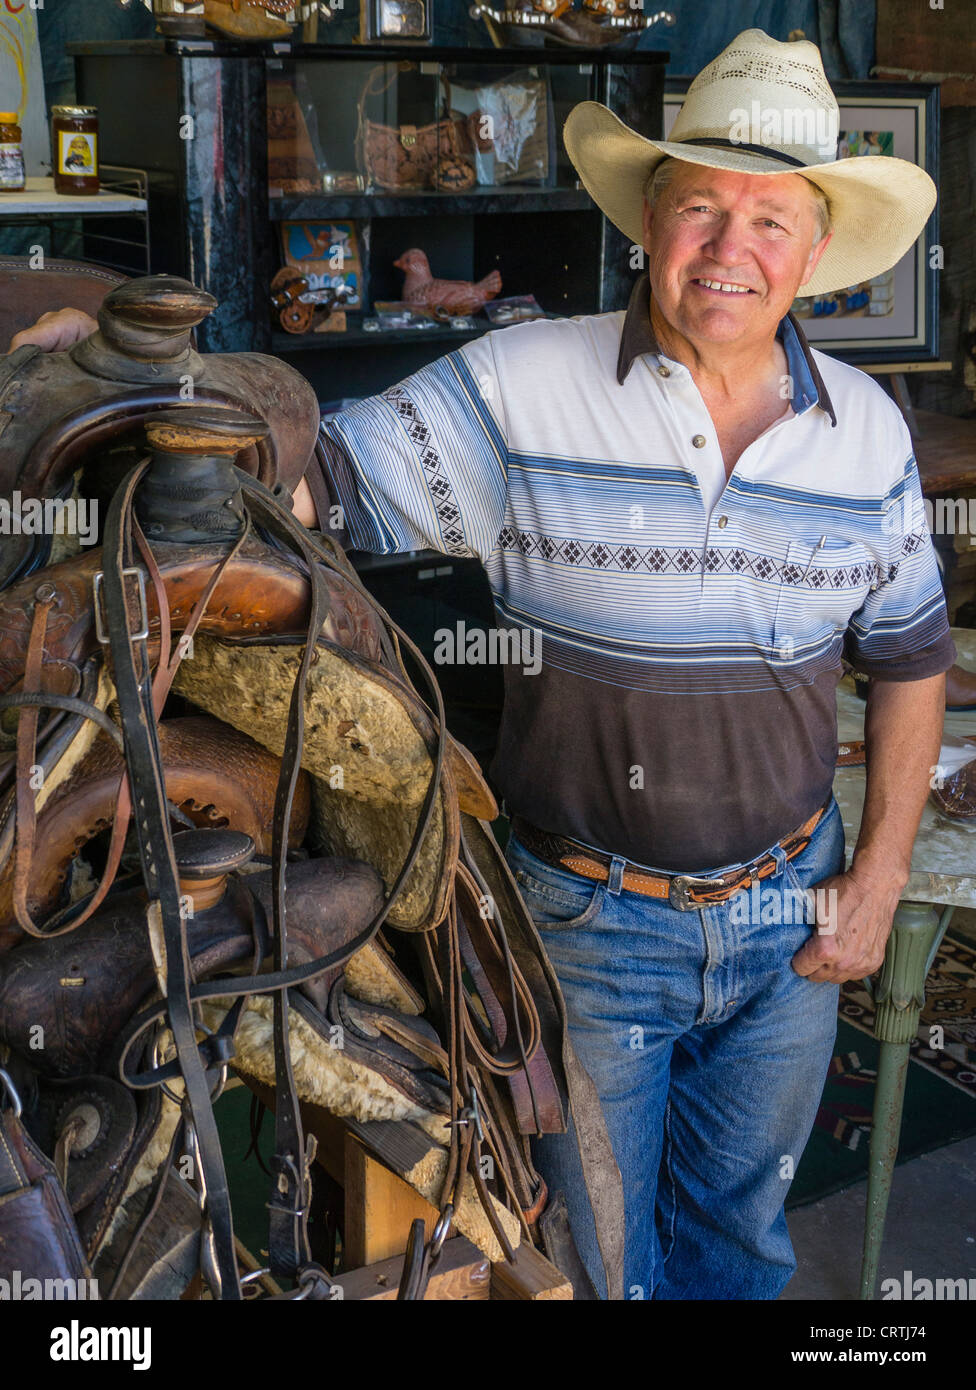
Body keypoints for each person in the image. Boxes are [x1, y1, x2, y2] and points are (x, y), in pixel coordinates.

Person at [8, 30, 955, 1300]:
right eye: (701, 209)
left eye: (770, 220)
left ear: (815, 249)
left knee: (744, 1244)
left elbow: (907, 657)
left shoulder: (868, 435)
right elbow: (311, 483)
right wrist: (162, 399)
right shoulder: (522, 383)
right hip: (587, 915)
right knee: (595, 1258)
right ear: (648, 222)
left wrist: (881, 869)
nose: (731, 250)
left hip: (791, 905)